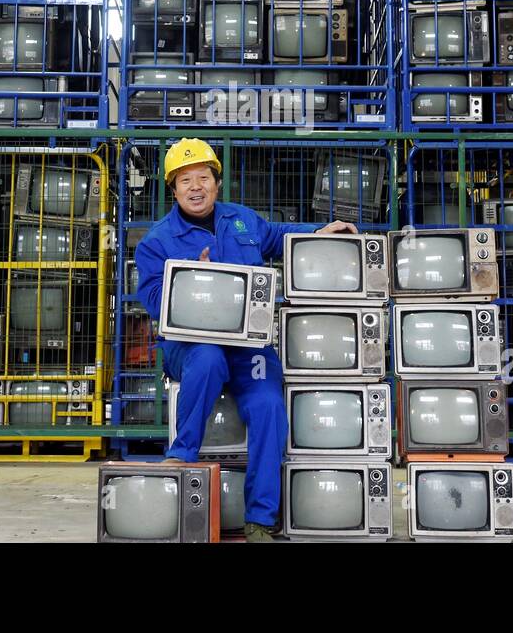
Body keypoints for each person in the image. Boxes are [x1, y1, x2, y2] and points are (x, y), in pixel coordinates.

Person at [134, 138, 357, 543]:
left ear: (217, 183)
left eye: (204, 177)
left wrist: (319, 230)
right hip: (190, 346)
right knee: (206, 359)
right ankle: (183, 456)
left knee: (270, 405)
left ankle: (259, 519)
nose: (196, 187)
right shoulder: (156, 241)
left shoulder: (243, 221)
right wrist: (192, 282)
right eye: (186, 180)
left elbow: (279, 235)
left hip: (247, 346)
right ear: (173, 188)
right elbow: (151, 299)